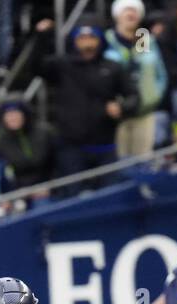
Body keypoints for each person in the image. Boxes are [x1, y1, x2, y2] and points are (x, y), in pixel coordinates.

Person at [33, 17, 136, 186]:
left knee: (111, 195)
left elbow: (133, 96)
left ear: (100, 39)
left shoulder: (113, 67)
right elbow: (37, 68)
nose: (87, 42)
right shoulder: (62, 65)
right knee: (73, 196)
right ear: (74, 40)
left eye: (91, 37)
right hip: (71, 147)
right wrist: (42, 37)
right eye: (82, 37)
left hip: (105, 145)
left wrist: (122, 107)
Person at [104, 0, 168, 158]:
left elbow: (159, 72)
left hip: (144, 112)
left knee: (143, 161)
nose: (130, 14)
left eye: (134, 10)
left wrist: (154, 96)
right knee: (119, 163)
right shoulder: (108, 40)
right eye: (126, 10)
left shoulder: (143, 39)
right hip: (117, 115)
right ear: (117, 14)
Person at [0, 99, 52, 190]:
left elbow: (56, 165)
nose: (13, 117)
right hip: (13, 191)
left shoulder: (44, 133)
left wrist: (51, 188)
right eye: (8, 114)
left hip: (43, 188)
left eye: (16, 113)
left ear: (25, 114)